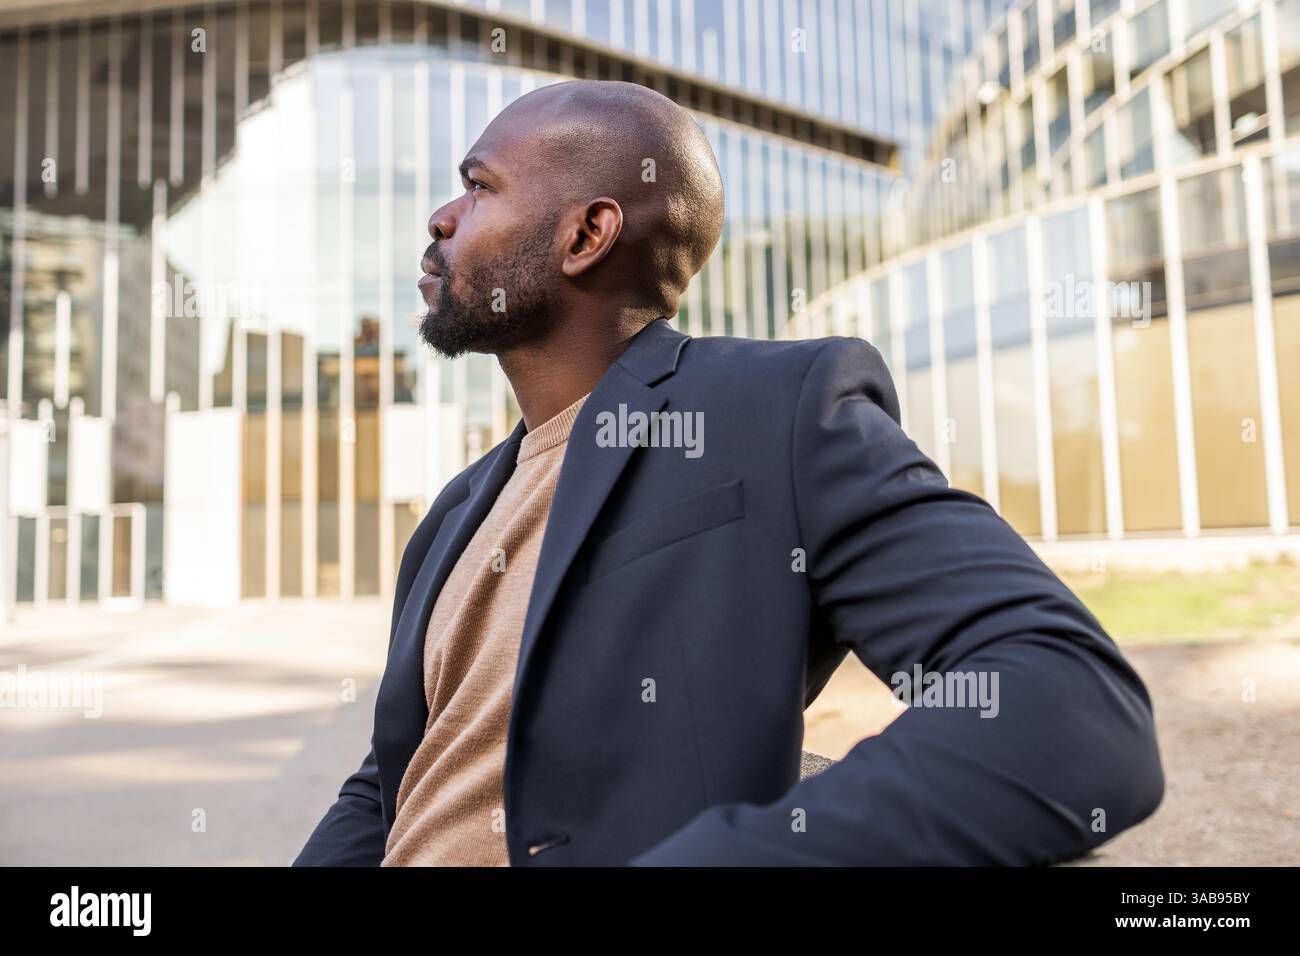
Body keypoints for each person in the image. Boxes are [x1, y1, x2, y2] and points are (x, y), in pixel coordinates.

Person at [294, 79, 1164, 867]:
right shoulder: (454, 514)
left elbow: (1067, 701)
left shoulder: (774, 413)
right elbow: (393, 781)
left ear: (586, 235)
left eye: (478, 185)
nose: (443, 217)